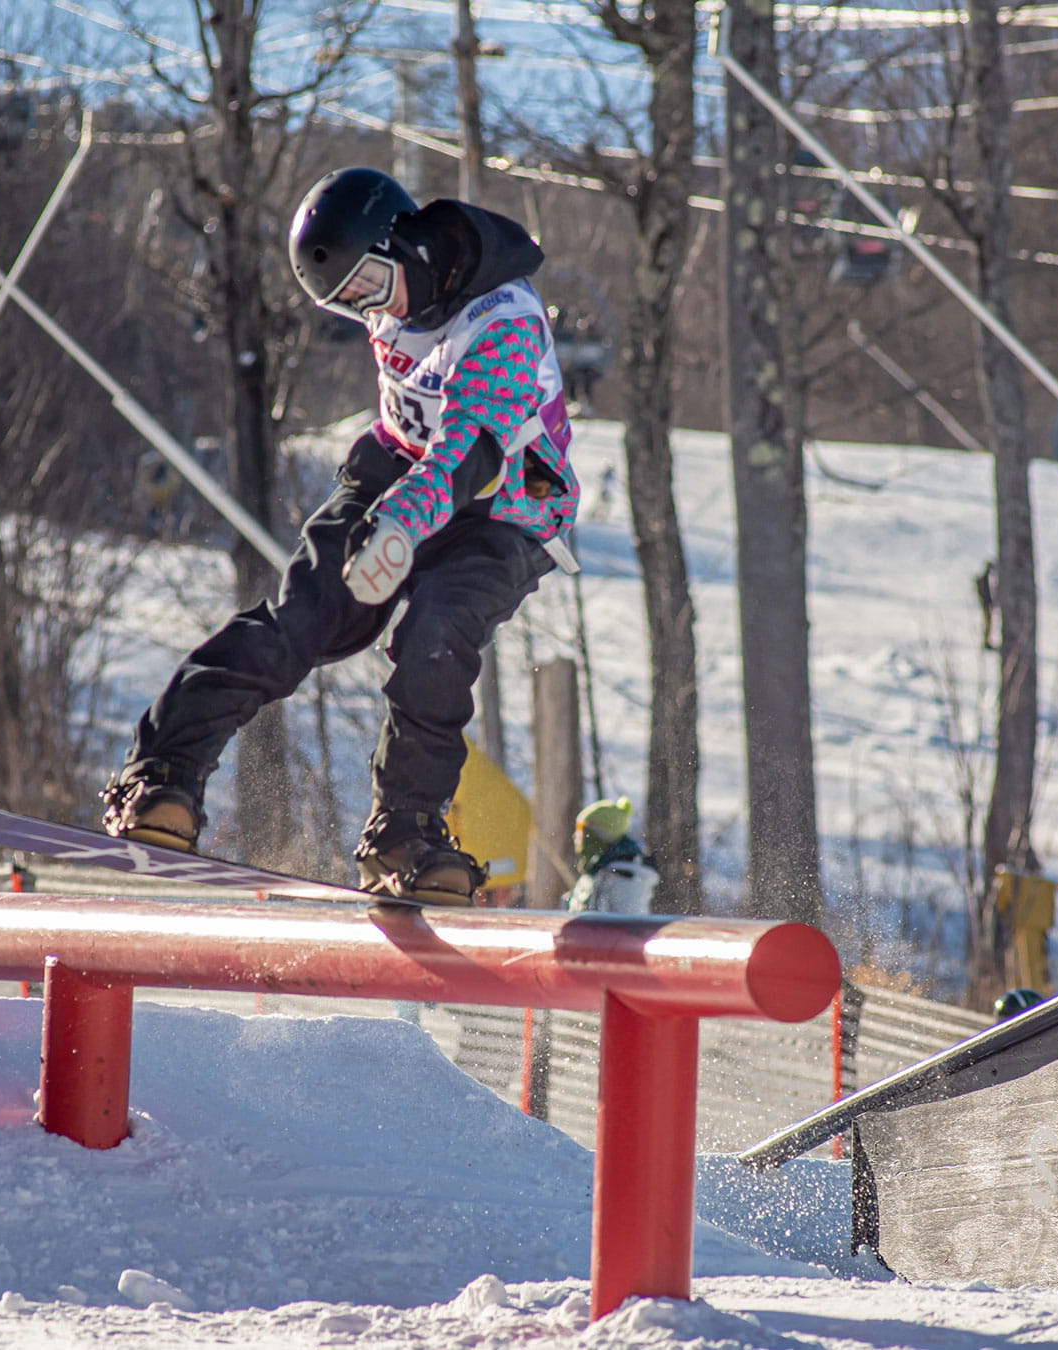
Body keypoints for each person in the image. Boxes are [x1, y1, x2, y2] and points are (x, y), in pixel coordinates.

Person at [100, 166, 580, 905]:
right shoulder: (390, 292)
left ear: (409, 245)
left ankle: (405, 835)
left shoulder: (504, 321)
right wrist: (384, 515)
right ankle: (163, 776)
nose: (371, 311)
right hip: (394, 471)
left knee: (436, 635)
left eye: (372, 288)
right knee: (301, 621)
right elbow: (418, 436)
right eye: (348, 302)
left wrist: (399, 530)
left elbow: (469, 451)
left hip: (500, 507)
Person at [563, 797, 659, 915]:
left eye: (583, 832)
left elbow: (629, 926)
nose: (576, 838)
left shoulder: (627, 875)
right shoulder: (596, 870)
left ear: (600, 837)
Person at [974, 561, 998, 649]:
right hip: (986, 605)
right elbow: (985, 593)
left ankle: (987, 641)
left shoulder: (986, 578)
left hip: (986, 604)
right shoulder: (985, 579)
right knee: (988, 623)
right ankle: (986, 641)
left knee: (989, 623)